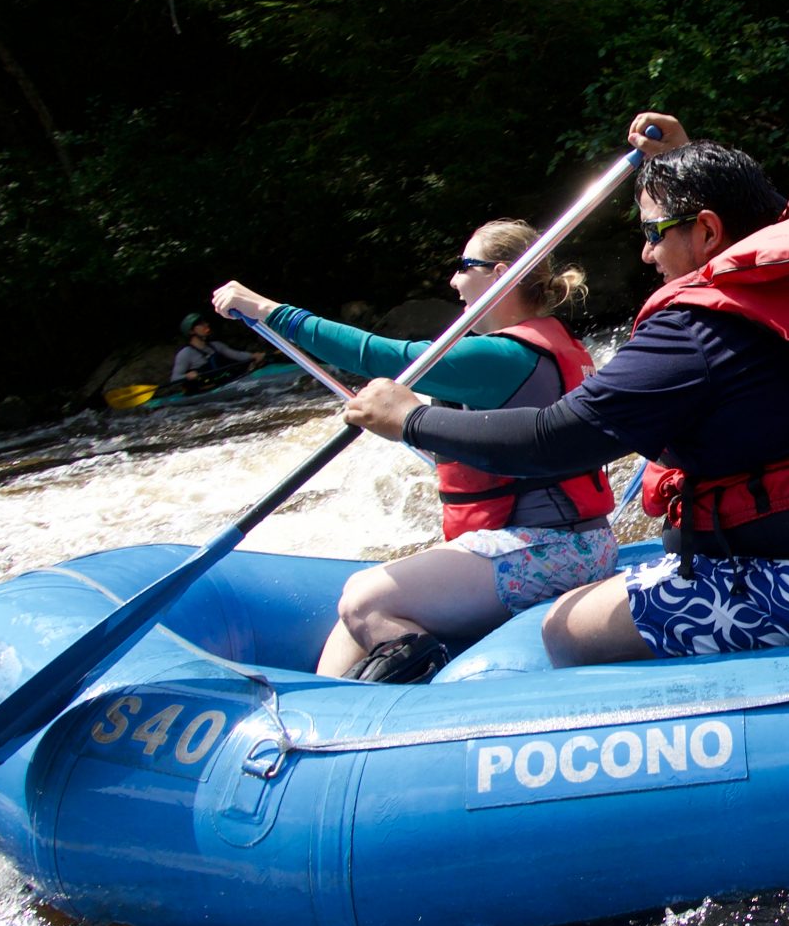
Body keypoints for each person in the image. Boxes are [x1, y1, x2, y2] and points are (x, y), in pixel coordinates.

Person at [341, 118, 789, 665]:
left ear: (705, 231)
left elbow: (556, 439)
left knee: (568, 628)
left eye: (651, 233)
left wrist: (412, 418)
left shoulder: (698, 328)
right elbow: (746, 215)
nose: (646, 255)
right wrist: (681, 153)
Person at [212, 220, 619, 679]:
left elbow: (376, 355)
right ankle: (323, 719)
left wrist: (269, 310)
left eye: (466, 266)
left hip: (555, 547)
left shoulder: (505, 358)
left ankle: (422, 678)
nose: (453, 280)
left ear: (501, 274)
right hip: (563, 540)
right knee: (354, 618)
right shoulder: (541, 347)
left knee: (365, 600)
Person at [166, 313, 260, 394]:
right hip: (203, 390)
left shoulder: (216, 345)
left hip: (222, 383)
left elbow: (237, 355)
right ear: (191, 331)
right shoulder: (185, 354)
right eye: (201, 324)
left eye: (205, 322)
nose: (206, 325)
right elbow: (175, 379)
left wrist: (253, 356)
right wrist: (187, 376)